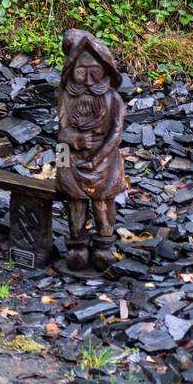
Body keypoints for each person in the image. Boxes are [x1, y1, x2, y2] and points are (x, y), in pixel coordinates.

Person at [57, 29, 126, 272]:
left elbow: (117, 133)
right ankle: (77, 244)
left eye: (94, 71)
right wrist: (73, 138)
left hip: (105, 158)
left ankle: (104, 244)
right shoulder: (66, 96)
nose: (88, 79)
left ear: (105, 70)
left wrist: (98, 157)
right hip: (71, 156)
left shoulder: (113, 99)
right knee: (74, 200)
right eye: (81, 71)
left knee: (103, 201)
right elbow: (61, 130)